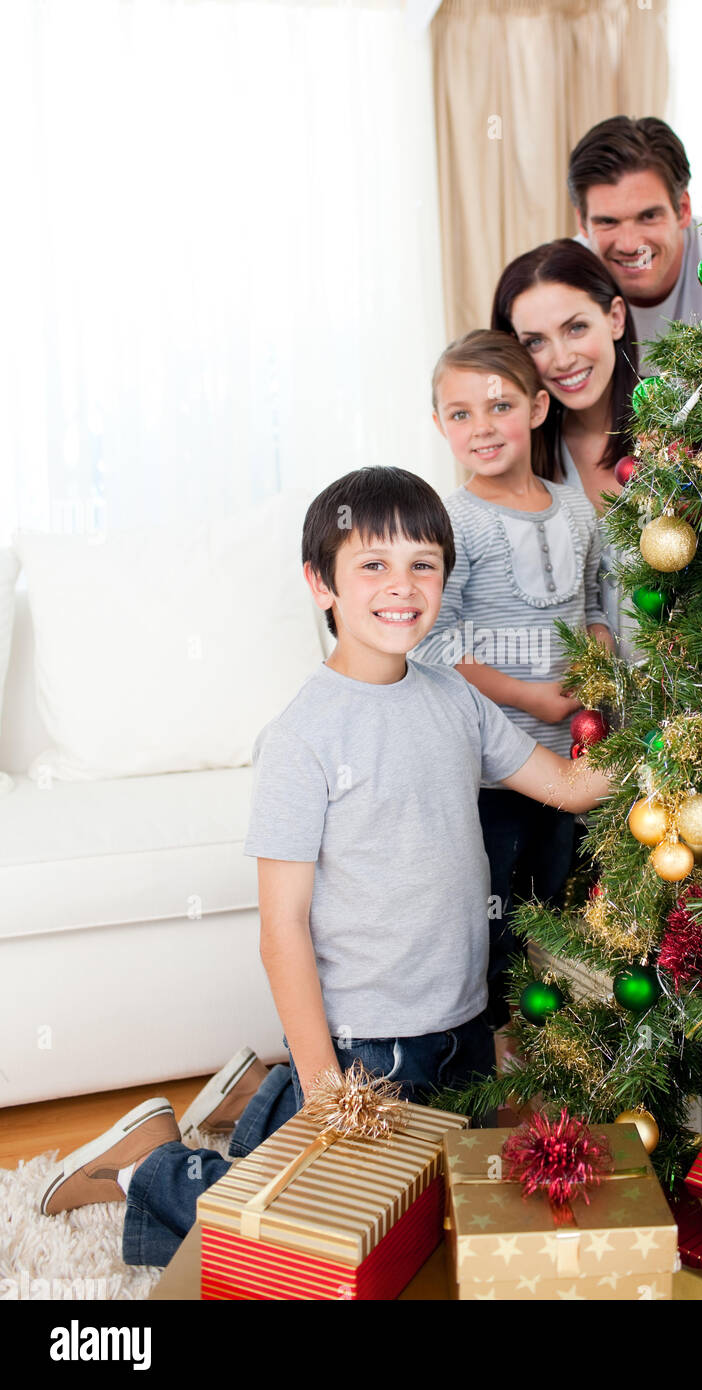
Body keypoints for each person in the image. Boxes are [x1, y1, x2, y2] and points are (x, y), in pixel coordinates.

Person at [39, 466, 611, 1267]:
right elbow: (282, 930)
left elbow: (569, 786)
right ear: (322, 583)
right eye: (372, 565)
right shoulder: (304, 735)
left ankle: (252, 1099)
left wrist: (673, 743)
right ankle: (151, 1166)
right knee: (318, 1242)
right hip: (364, 1051)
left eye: (423, 564)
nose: (401, 586)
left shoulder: (456, 699)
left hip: (463, 1033)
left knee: (434, 1227)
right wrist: (322, 1082)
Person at [412, 330, 611, 1029]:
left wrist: (602, 665)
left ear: (537, 407)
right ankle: (492, 1048)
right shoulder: (451, 523)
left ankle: (558, 1042)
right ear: (439, 426)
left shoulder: (576, 507)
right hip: (492, 769)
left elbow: (591, 606)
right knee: (495, 906)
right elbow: (438, 640)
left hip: (572, 759)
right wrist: (528, 696)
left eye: (498, 406)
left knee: (561, 902)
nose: (481, 427)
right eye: (459, 414)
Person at [491, 239, 642, 661]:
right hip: (579, 715)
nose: (561, 359)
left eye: (576, 328)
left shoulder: (686, 420)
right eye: (535, 342)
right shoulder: (515, 461)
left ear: (614, 318)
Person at [568, 115, 702, 348]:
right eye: (608, 221)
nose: (630, 245)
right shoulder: (560, 282)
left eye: (649, 216)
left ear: (683, 210)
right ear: (583, 223)